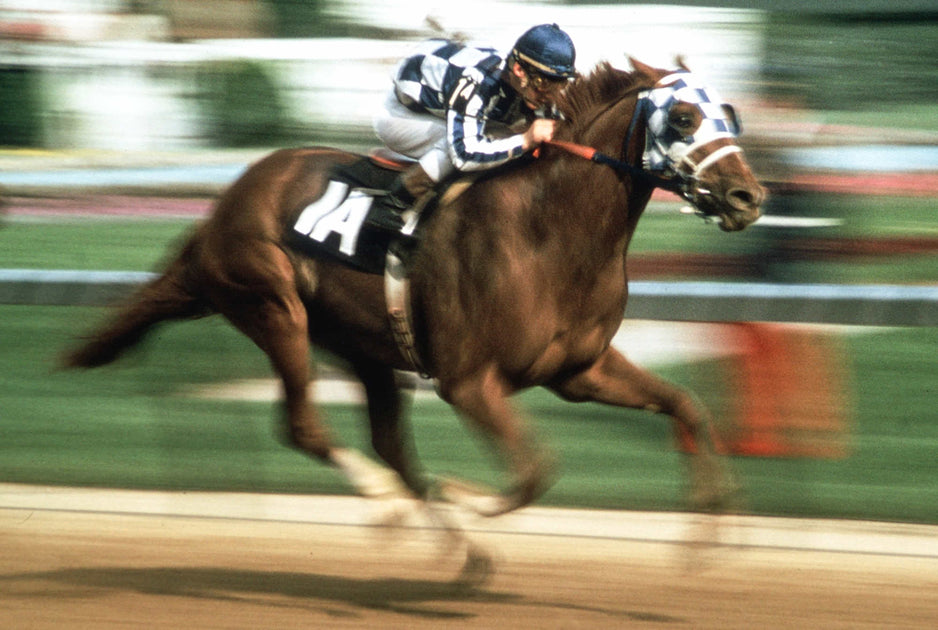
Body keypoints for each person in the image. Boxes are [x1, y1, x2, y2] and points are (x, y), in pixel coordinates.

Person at [371, 23, 577, 221]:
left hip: (439, 102)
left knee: (501, 137)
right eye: (542, 84)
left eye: (557, 85)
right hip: (399, 114)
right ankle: (394, 204)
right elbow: (464, 154)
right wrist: (525, 140)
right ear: (519, 71)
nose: (548, 96)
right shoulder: (476, 82)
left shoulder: (529, 85)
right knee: (456, 144)